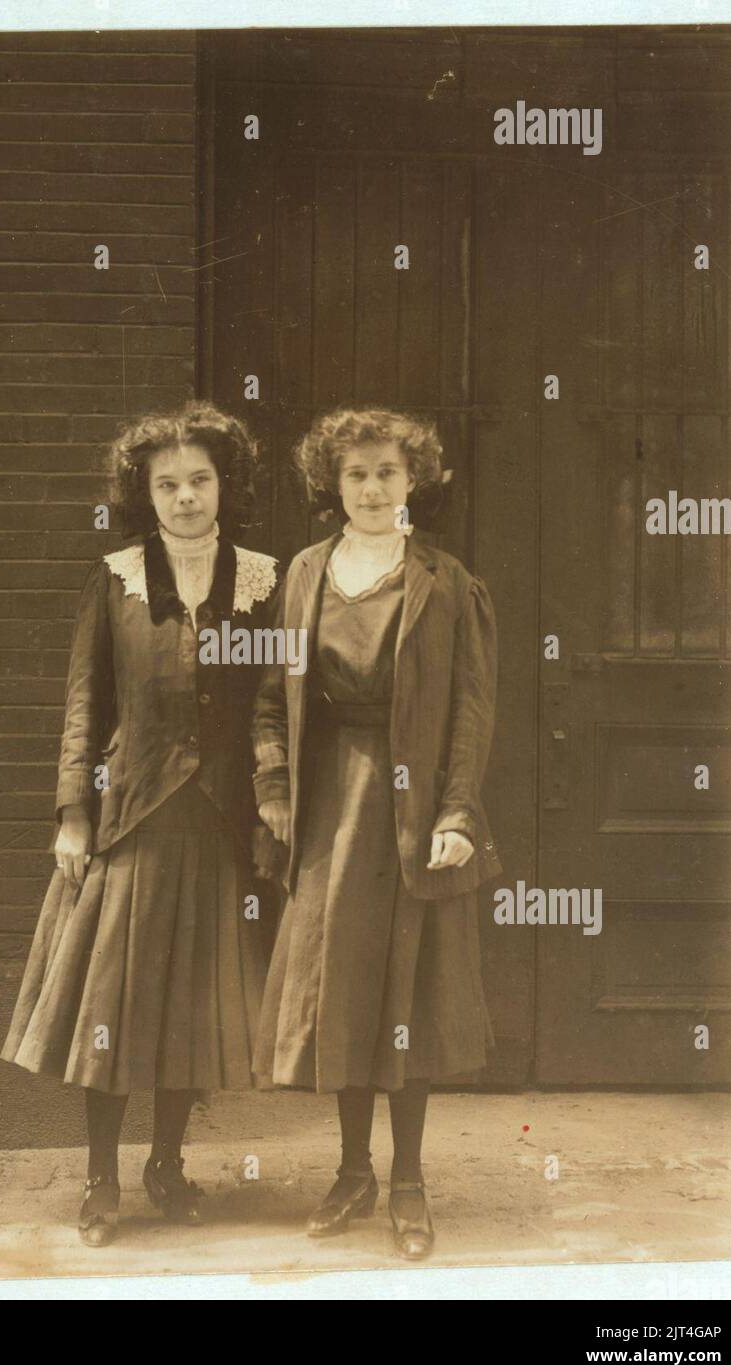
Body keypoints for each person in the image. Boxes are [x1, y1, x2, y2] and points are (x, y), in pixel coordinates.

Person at [1, 401, 279, 1246]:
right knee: (112, 1005)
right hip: (132, 819)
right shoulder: (116, 577)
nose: (186, 497)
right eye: (168, 484)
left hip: (218, 824)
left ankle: (166, 1164)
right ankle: (101, 1178)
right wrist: (74, 815)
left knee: (188, 1009)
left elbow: (273, 703)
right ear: (145, 493)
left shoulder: (263, 581)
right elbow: (85, 706)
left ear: (224, 485)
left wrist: (272, 798)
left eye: (200, 480)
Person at [252, 407, 502, 1260]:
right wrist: (274, 786)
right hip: (329, 811)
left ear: (414, 480)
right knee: (343, 992)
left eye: (386, 474)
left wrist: (457, 812)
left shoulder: (445, 579)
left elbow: (471, 710)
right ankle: (352, 1169)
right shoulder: (303, 574)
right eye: (354, 475)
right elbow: (267, 699)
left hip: (411, 805)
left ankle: (407, 1180)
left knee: (408, 993)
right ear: (333, 484)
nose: (370, 489)